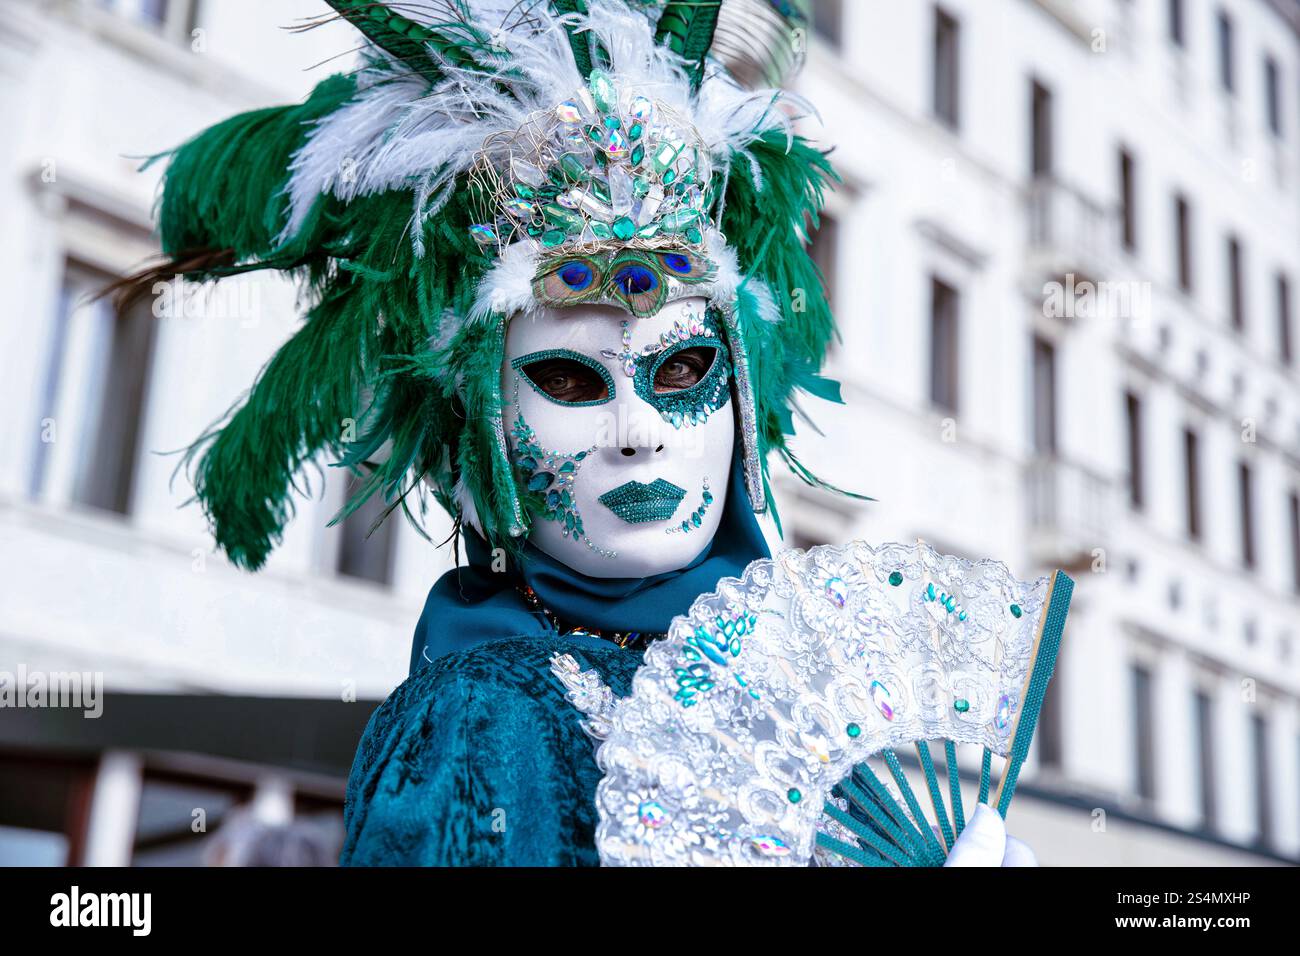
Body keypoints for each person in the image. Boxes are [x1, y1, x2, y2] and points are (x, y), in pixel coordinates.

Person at [127, 0, 1034, 866]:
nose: (638, 433)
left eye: (683, 372)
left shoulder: (806, 728)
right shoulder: (484, 719)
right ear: (481, 429)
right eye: (568, 379)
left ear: (742, 406)